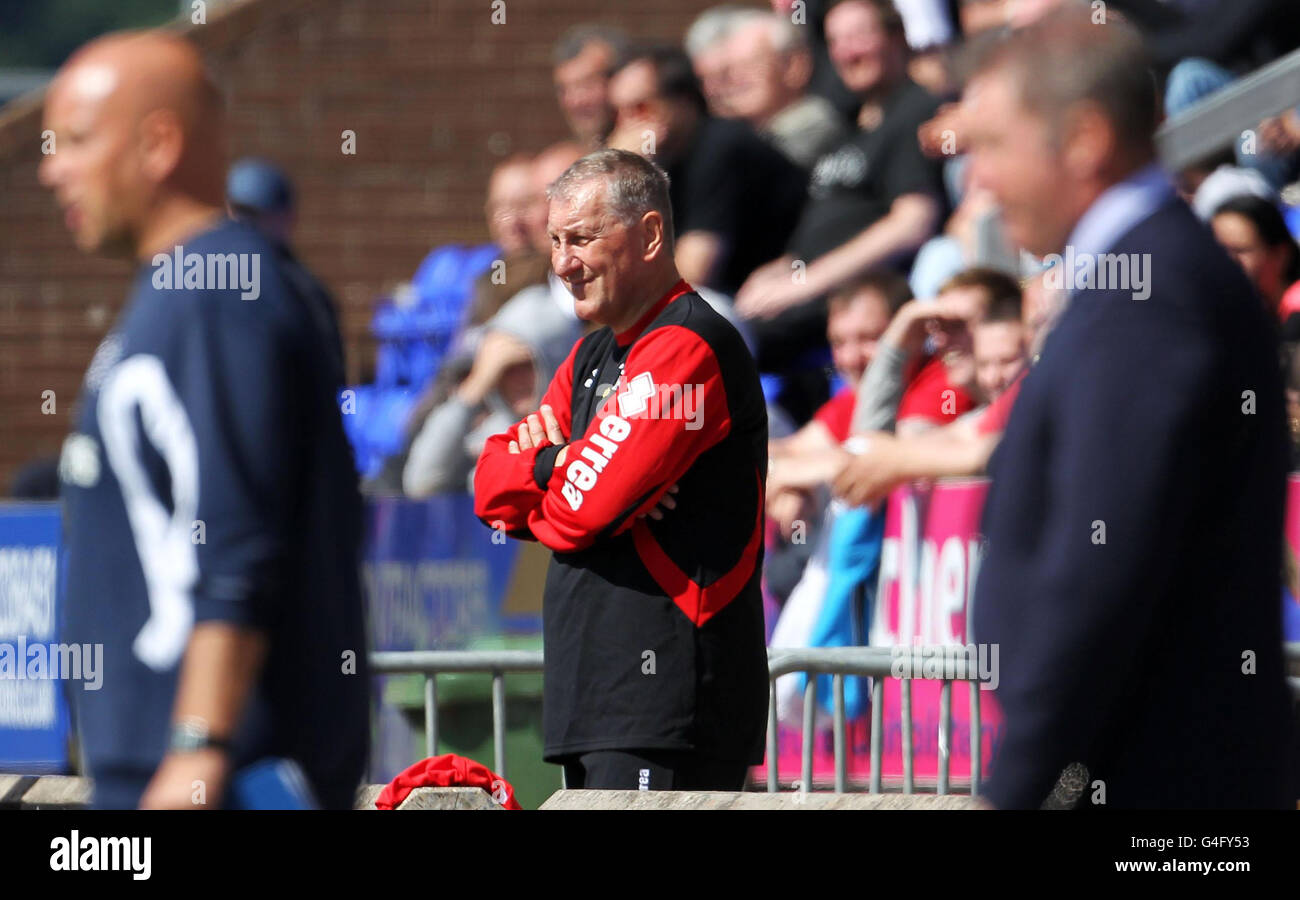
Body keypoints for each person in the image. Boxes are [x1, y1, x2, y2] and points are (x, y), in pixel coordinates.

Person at [962, 8, 1294, 808]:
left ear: (1080, 138)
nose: (980, 180)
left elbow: (1102, 568)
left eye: (994, 146)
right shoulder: (1140, 271)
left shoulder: (1150, 290)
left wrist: (1016, 787)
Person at [40, 30, 368, 809]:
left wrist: (200, 745)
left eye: (78, 140)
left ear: (158, 143)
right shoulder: (177, 290)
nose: (52, 168)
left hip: (216, 780)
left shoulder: (221, 291)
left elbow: (236, 539)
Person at [473, 150, 770, 790]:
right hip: (595, 701)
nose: (561, 263)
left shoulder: (688, 343)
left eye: (580, 239)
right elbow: (490, 486)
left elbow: (588, 509)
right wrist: (567, 462)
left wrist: (553, 470)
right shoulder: (589, 355)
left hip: (667, 702)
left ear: (650, 235)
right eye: (555, 241)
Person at [735, 0, 945, 378]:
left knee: (715, 343)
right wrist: (781, 269)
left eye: (860, 36)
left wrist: (805, 283)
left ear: (898, 37)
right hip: (801, 295)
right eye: (837, 40)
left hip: (848, 304)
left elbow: (912, 222)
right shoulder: (849, 124)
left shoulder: (915, 109)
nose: (848, 51)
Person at [606, 44, 807, 297]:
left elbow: (692, 274)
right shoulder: (664, 157)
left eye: (641, 108)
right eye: (619, 112)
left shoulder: (721, 146)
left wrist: (625, 174)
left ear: (683, 99)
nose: (627, 126)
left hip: (780, 299)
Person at [724, 11, 850, 169]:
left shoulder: (813, 128)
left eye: (750, 64)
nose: (735, 77)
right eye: (729, 69)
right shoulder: (748, 134)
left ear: (794, 66)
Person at [553, 24, 628, 148]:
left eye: (586, 85)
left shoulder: (654, 152)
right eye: (564, 89)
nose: (575, 101)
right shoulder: (565, 161)